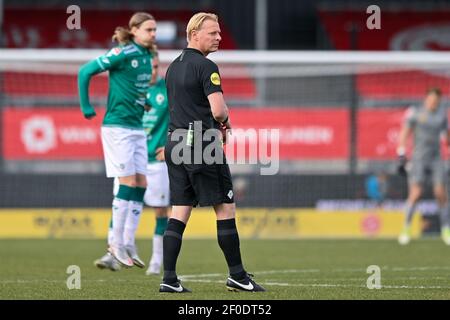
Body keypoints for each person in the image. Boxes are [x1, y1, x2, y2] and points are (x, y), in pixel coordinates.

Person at [159, 12, 265, 293]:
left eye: (219, 33)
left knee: (179, 211)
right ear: (194, 34)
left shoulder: (172, 67)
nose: (218, 37)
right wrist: (224, 120)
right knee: (225, 207)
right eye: (213, 33)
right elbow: (218, 109)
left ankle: (168, 279)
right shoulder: (206, 66)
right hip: (200, 144)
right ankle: (238, 276)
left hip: (175, 142)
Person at [78, 12, 156, 267]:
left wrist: (141, 103)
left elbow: (133, 88)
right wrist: (86, 106)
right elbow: (85, 71)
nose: (153, 34)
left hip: (136, 127)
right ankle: (116, 245)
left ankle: (129, 241)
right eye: (148, 29)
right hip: (117, 127)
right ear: (134, 30)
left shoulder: (147, 57)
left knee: (142, 183)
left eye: (155, 30)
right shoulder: (124, 53)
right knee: (128, 181)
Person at [93, 51, 170, 274]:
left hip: (155, 162)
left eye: (156, 67)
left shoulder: (167, 90)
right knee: (121, 203)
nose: (153, 71)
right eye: (150, 67)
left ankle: (156, 262)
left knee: (161, 210)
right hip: (128, 158)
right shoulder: (133, 87)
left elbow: (180, 117)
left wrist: (171, 144)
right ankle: (113, 253)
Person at [397, 87, 450, 245]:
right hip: (419, 159)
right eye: (432, 99)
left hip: (436, 159)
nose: (434, 102)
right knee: (415, 194)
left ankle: (446, 229)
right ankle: (406, 228)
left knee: (441, 193)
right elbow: (405, 132)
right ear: (426, 99)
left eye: (437, 100)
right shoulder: (416, 114)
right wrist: (401, 153)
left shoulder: (441, 116)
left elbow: (447, 138)